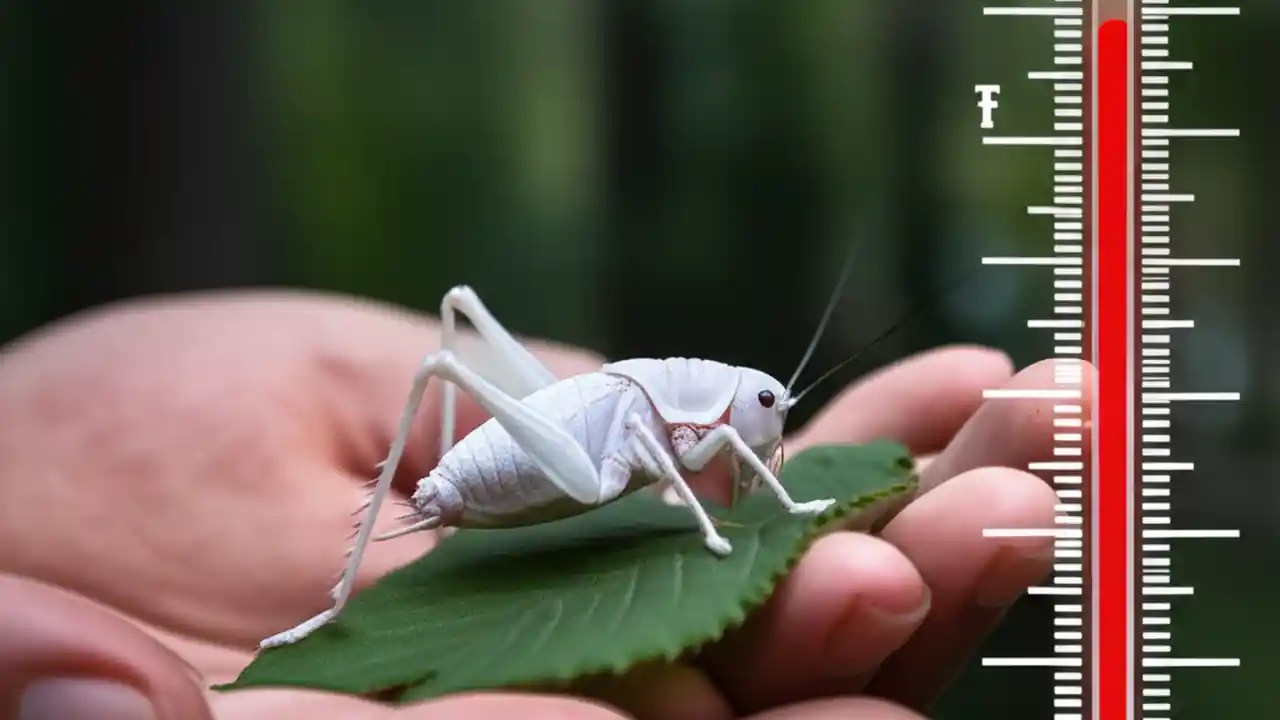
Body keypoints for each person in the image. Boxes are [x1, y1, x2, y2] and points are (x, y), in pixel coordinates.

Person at [0, 290, 1086, 720]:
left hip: (574, 450)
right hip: (539, 463)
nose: (764, 420)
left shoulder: (700, 415)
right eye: (763, 406)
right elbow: (700, 452)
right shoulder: (680, 418)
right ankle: (330, 609)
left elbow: (711, 443)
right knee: (449, 350)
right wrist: (717, 524)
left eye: (771, 410)